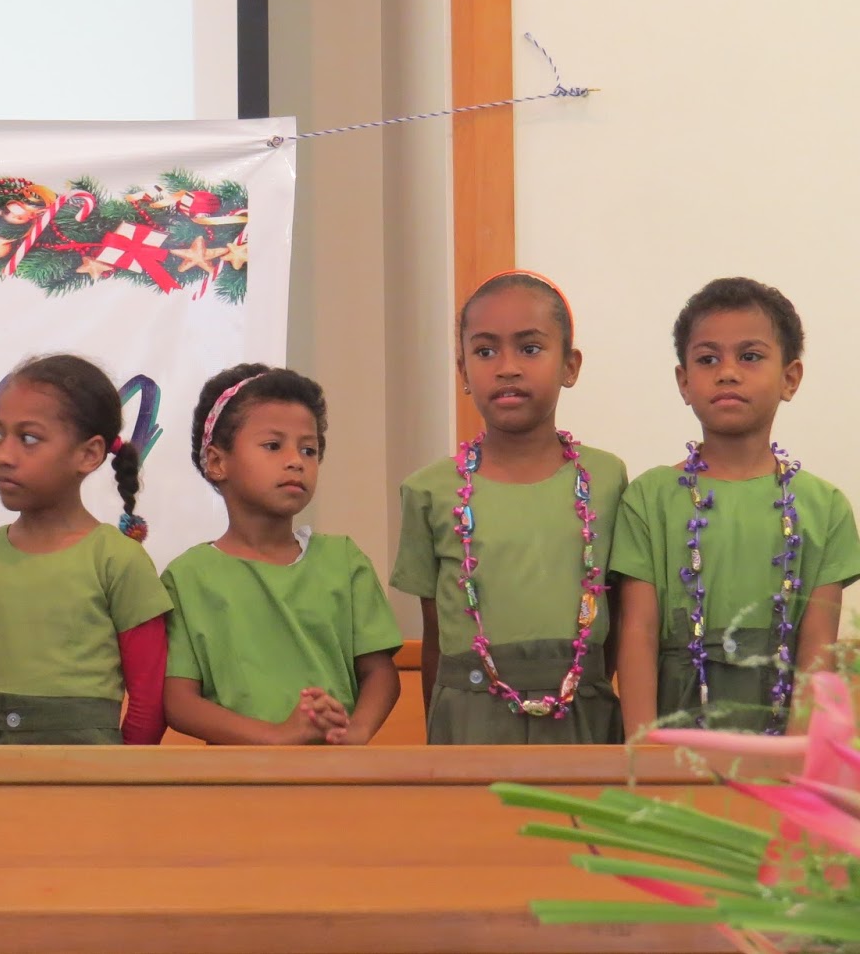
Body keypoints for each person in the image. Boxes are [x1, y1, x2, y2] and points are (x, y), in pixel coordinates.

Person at [613, 277, 860, 734]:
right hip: (672, 733)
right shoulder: (649, 498)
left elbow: (816, 653)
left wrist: (795, 759)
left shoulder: (824, 507)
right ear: (684, 382)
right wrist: (642, 755)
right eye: (708, 359)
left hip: (779, 735)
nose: (727, 372)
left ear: (790, 378)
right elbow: (638, 634)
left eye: (750, 356)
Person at [392, 270, 627, 744]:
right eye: (484, 351)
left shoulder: (607, 481)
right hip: (470, 719)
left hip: (582, 715)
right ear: (463, 372)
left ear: (570, 366)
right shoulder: (430, 491)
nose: (507, 367)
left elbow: (619, 615)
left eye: (530, 348)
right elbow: (436, 632)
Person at [0, 354, 170, 744]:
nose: (3, 455)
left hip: (90, 783)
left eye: (29, 438)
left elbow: (149, 700)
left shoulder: (118, 561)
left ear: (89, 454)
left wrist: (121, 778)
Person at [162, 364, 402, 745]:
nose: (296, 460)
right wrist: (274, 736)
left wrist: (355, 730)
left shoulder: (343, 560)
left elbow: (380, 674)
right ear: (217, 462)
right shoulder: (188, 576)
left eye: (309, 449)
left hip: (336, 778)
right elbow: (179, 702)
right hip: (235, 788)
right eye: (274, 446)